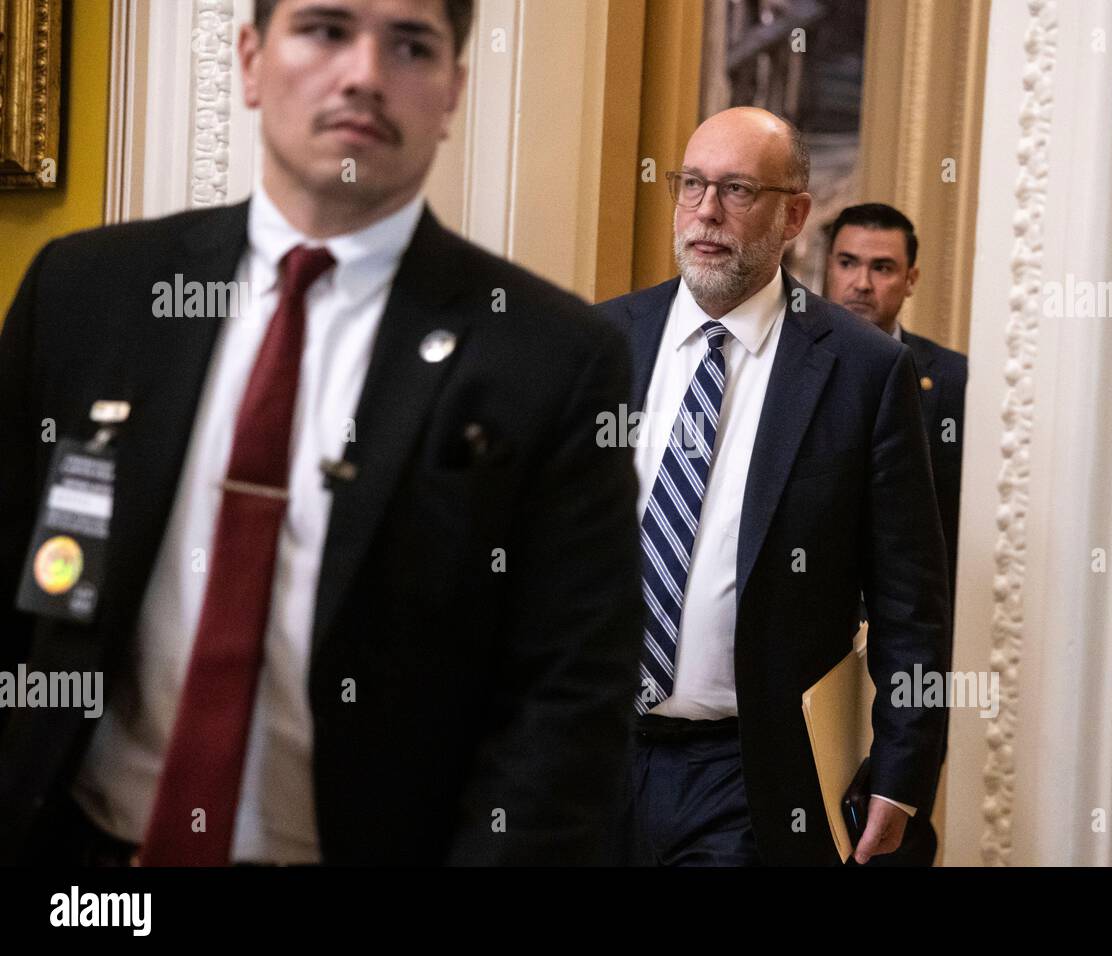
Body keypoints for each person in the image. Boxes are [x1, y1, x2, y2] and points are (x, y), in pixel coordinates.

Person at [0, 0, 642, 866]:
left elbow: (568, 701)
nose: (366, 75)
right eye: (327, 30)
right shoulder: (89, 295)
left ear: (452, 90)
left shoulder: (551, 359)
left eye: (411, 44)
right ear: (253, 59)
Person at [597, 108, 951, 866]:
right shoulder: (601, 341)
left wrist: (901, 774)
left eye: (736, 190)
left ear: (793, 213)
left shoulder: (862, 372)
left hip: (749, 775)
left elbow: (909, 600)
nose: (706, 213)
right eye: (691, 185)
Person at [824, 203, 967, 605]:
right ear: (829, 266)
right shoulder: (781, 363)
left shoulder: (954, 379)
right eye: (848, 263)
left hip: (906, 609)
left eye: (882, 268)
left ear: (910, 279)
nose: (862, 283)